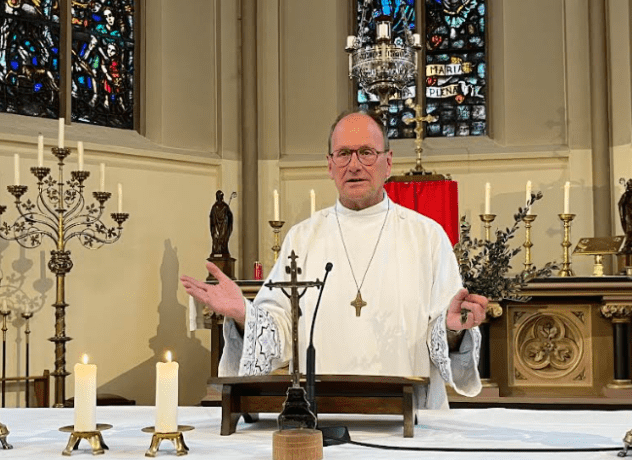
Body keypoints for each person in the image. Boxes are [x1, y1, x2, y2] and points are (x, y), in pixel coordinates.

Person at [181, 110, 487, 409]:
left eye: (366, 152)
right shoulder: (303, 239)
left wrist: (452, 330)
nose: (354, 165)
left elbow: (444, 334)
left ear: (388, 162)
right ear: (330, 165)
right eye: (343, 154)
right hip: (319, 420)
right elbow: (280, 333)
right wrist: (244, 314)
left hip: (408, 419)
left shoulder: (427, 237)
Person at [209, 190, 233, 258]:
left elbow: (230, 217)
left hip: (223, 227)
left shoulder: (225, 207)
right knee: (216, 241)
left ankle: (223, 250)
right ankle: (217, 250)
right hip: (217, 227)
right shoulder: (215, 207)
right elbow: (212, 219)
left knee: (223, 241)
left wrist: (228, 216)